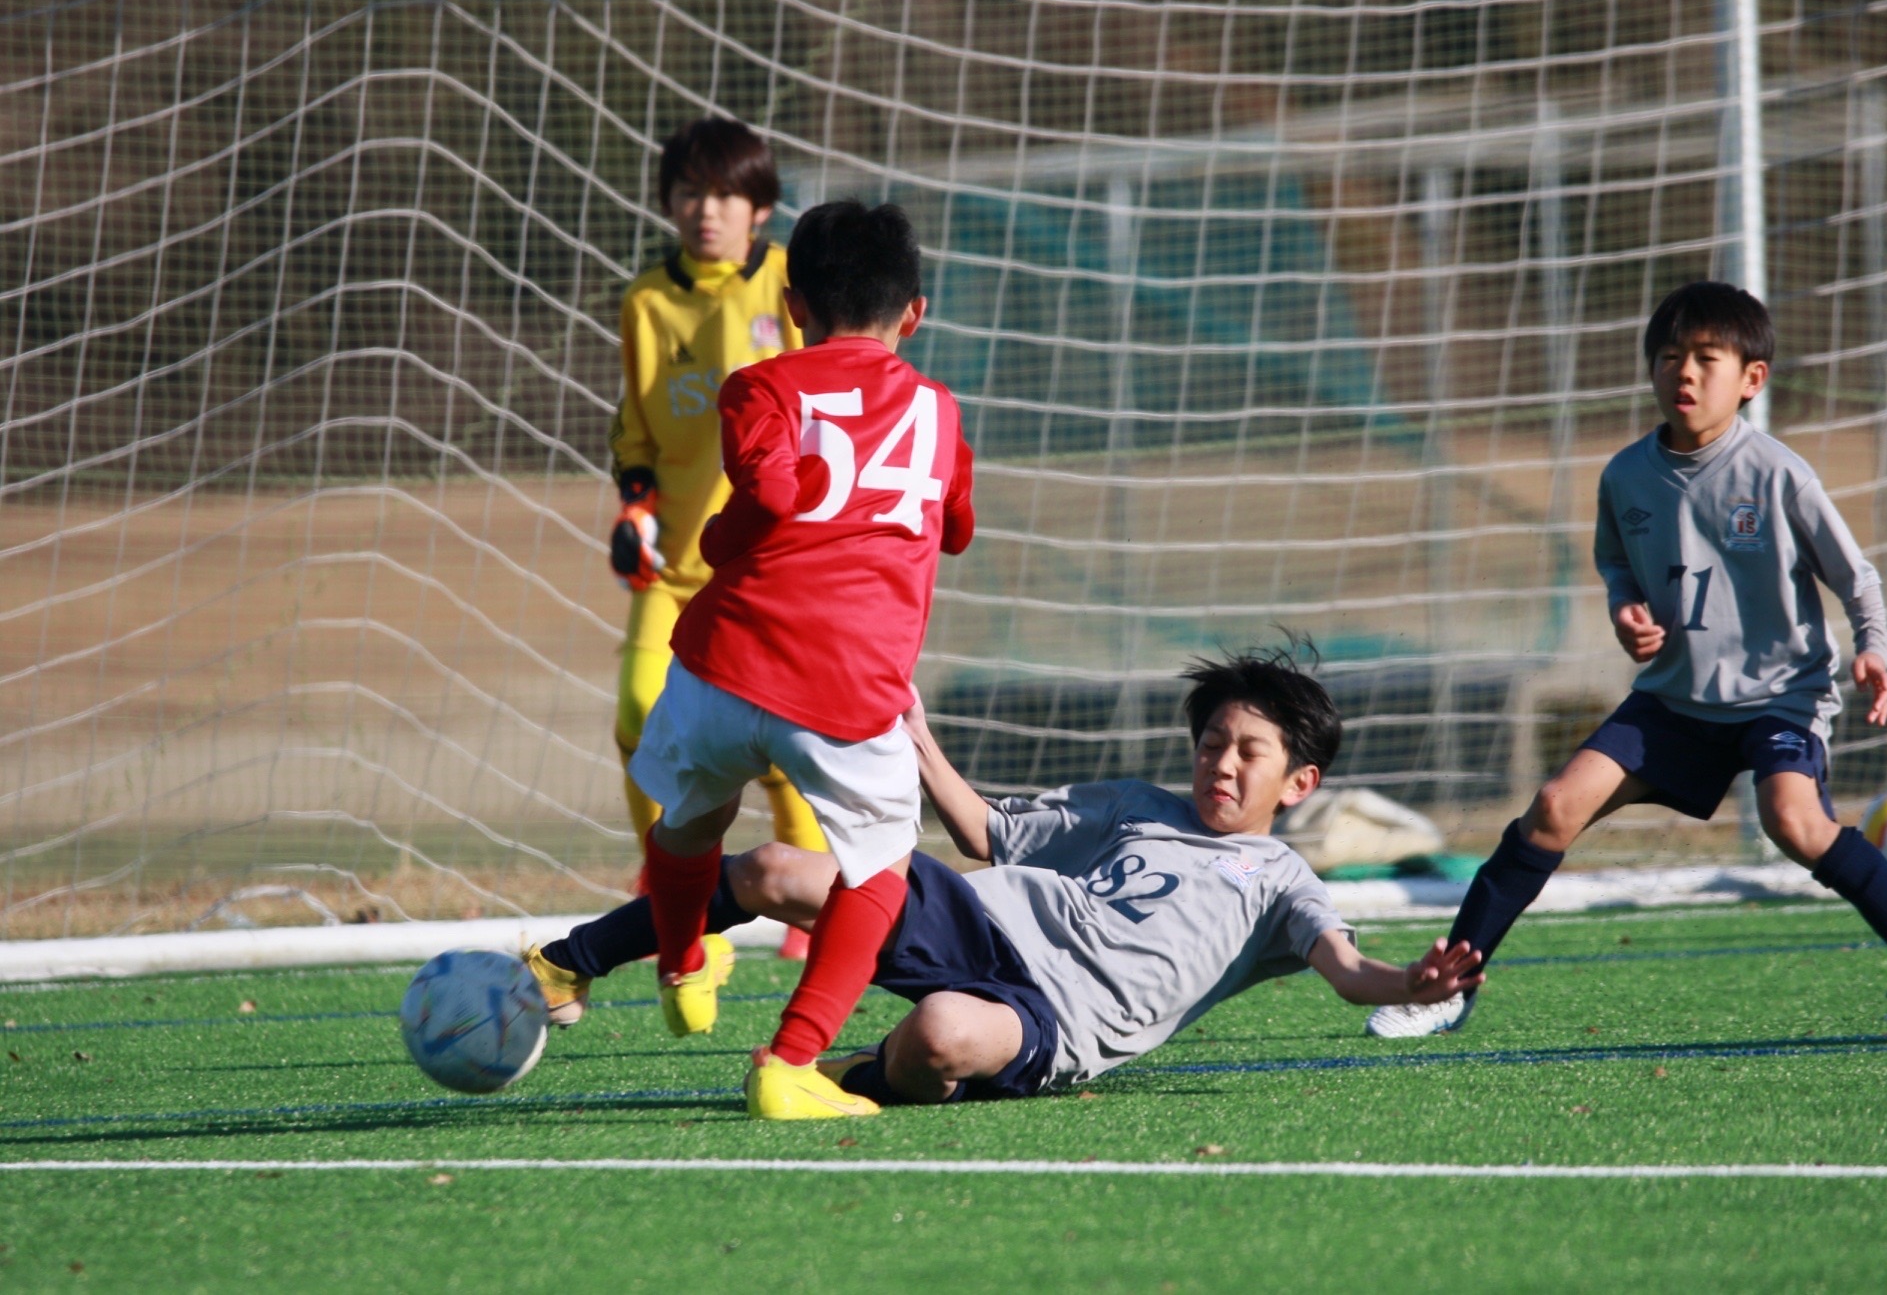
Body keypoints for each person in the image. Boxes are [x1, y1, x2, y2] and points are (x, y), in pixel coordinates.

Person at [1369, 281, 1887, 1038]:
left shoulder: (1778, 474)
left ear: (1752, 378)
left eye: (1706, 358)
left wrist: (1872, 648)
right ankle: (1447, 989)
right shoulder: (1626, 475)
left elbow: (1855, 576)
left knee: (1794, 822)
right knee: (1554, 807)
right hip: (1673, 699)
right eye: (1670, 357)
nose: (1686, 373)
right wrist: (1625, 610)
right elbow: (1617, 566)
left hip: (1779, 695)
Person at [529, 647, 1482, 1104]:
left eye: (1248, 752)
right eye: (1210, 743)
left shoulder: (1281, 877)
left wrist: (1411, 983)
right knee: (772, 867)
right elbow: (988, 833)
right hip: (977, 916)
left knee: (941, 1037)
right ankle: (569, 961)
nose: (1220, 764)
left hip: (1057, 1021)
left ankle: (854, 1072)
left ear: (1298, 782)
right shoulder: (1132, 803)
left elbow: (1346, 969)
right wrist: (917, 735)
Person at [626, 197, 976, 1120]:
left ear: (792, 304)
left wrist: (722, 534)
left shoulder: (760, 386)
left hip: (724, 661)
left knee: (688, 824)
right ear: (914, 313)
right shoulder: (939, 411)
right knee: (879, 871)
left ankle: (682, 963)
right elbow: (957, 528)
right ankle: (790, 1061)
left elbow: (771, 495)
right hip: (846, 689)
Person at [597, 116, 827, 973]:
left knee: (781, 728)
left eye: (727, 194)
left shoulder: (790, 285)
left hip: (771, 564)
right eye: (690, 192)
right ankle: (668, 877)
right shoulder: (647, 301)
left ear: (761, 208)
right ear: (668, 203)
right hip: (677, 567)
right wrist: (634, 507)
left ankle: (805, 882)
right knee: (636, 711)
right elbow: (636, 427)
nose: (706, 210)